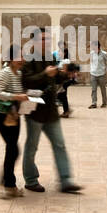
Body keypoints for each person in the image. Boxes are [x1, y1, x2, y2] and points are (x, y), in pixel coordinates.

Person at [20, 53, 83, 194]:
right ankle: (31, 180)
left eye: (47, 39)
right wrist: (45, 73)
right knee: (32, 147)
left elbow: (54, 77)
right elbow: (27, 82)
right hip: (35, 111)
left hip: (51, 112)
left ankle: (66, 180)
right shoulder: (29, 60)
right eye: (43, 39)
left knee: (59, 144)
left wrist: (66, 74)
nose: (46, 42)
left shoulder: (49, 58)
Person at [0, 44, 29, 198]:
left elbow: (17, 92)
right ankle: (7, 184)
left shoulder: (17, 73)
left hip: (14, 115)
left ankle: (7, 184)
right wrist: (16, 97)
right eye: (20, 56)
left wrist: (25, 96)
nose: (22, 60)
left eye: (23, 56)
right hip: (4, 117)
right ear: (11, 59)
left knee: (12, 149)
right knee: (13, 149)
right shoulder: (5, 73)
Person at [88, 40, 107, 109]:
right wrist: (91, 69)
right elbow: (91, 62)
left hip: (101, 74)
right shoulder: (91, 53)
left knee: (103, 89)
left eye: (93, 46)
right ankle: (93, 103)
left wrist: (106, 70)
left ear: (97, 46)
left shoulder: (104, 53)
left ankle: (104, 103)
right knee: (93, 89)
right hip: (93, 74)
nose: (92, 47)